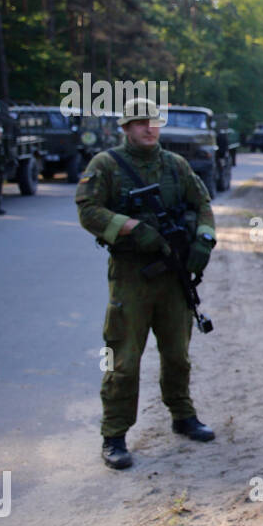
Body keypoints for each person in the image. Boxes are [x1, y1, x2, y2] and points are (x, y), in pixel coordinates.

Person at [75, 97, 218, 470]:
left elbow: (202, 201)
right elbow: (88, 209)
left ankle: (183, 416)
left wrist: (203, 240)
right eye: (140, 122)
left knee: (177, 354)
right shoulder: (106, 165)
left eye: (153, 121)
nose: (149, 128)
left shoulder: (176, 165)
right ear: (125, 127)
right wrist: (132, 228)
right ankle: (114, 435)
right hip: (131, 277)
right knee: (123, 359)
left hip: (173, 276)